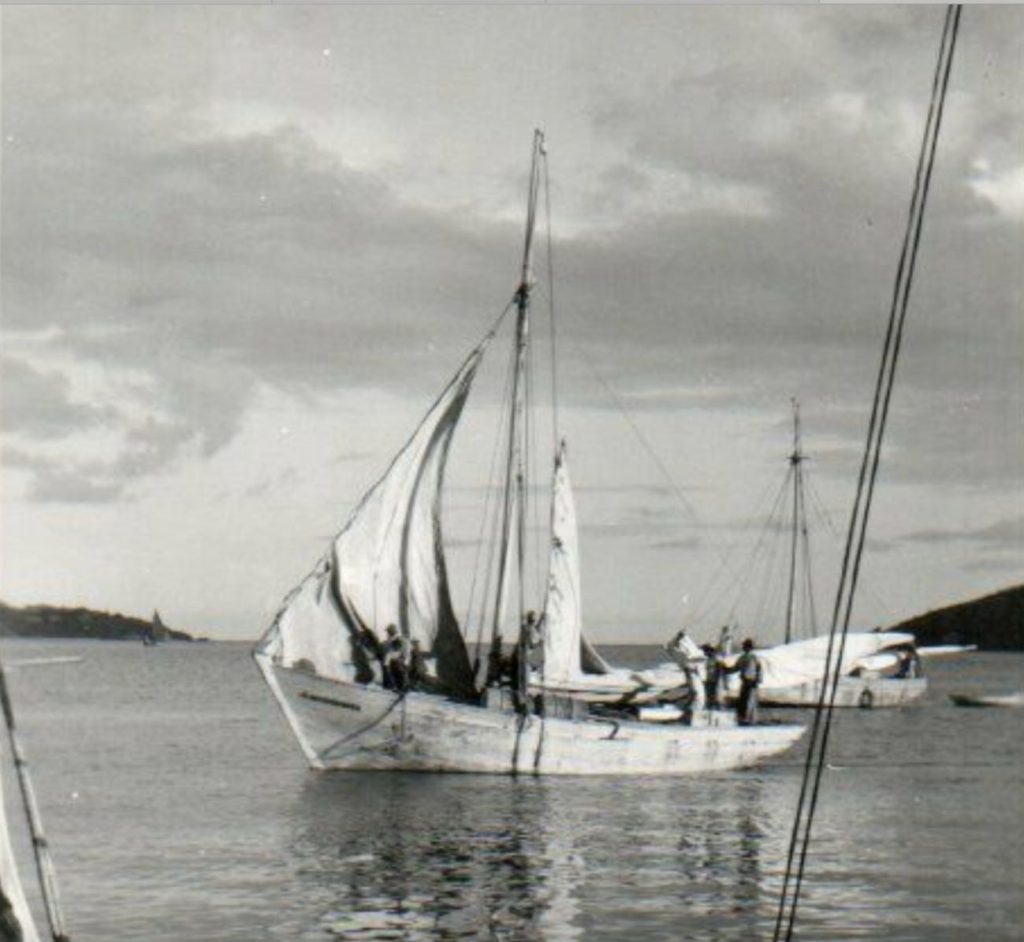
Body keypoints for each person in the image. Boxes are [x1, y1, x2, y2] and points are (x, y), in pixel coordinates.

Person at [726, 638, 762, 725]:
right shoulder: (742, 658)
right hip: (745, 682)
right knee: (743, 701)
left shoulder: (754, 658)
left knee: (750, 701)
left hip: (752, 682)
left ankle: (750, 720)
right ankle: (743, 719)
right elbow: (735, 668)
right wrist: (725, 669)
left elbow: (759, 670)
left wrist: (758, 680)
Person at [382, 623, 408, 691]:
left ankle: (401, 688)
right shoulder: (389, 640)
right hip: (392, 660)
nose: (388, 633)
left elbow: (403, 651)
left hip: (398, 660)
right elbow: (388, 652)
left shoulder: (399, 639)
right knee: (392, 674)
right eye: (388, 631)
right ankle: (395, 687)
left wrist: (404, 661)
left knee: (398, 674)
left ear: (393, 631)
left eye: (389, 631)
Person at [701, 643, 723, 709]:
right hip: (709, 679)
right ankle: (710, 705)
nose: (704, 653)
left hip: (713, 679)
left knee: (713, 694)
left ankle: (715, 706)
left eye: (705, 651)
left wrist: (717, 678)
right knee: (709, 694)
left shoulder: (715, 660)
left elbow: (719, 669)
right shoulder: (707, 659)